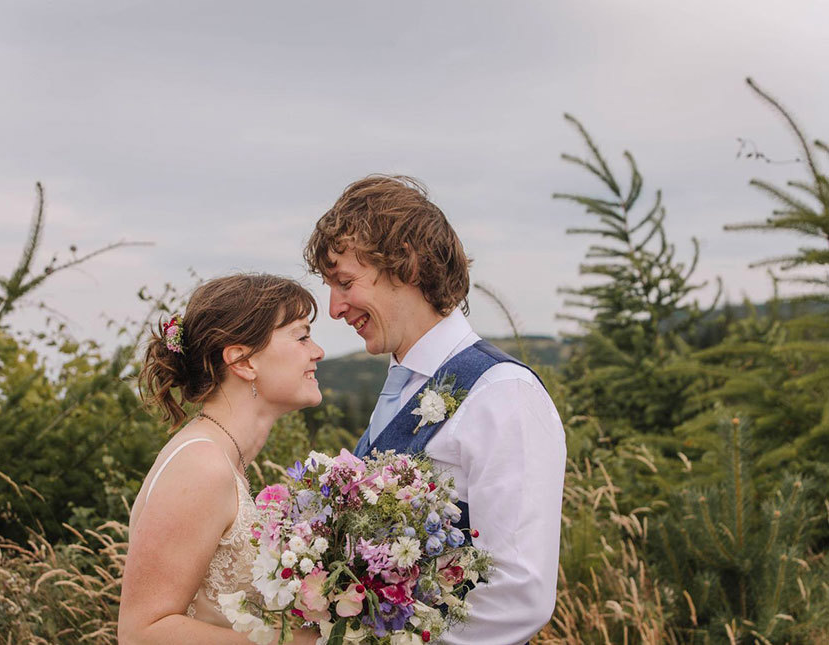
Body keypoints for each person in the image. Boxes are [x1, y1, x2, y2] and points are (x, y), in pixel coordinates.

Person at [304, 176, 566, 644]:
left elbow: (520, 594)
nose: (334, 308)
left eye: (344, 282)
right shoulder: (399, 389)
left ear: (407, 263)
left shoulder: (503, 393)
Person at [118, 274, 322, 644]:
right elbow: (141, 632)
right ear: (242, 361)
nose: (318, 351)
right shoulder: (201, 465)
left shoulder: (223, 457)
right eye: (302, 335)